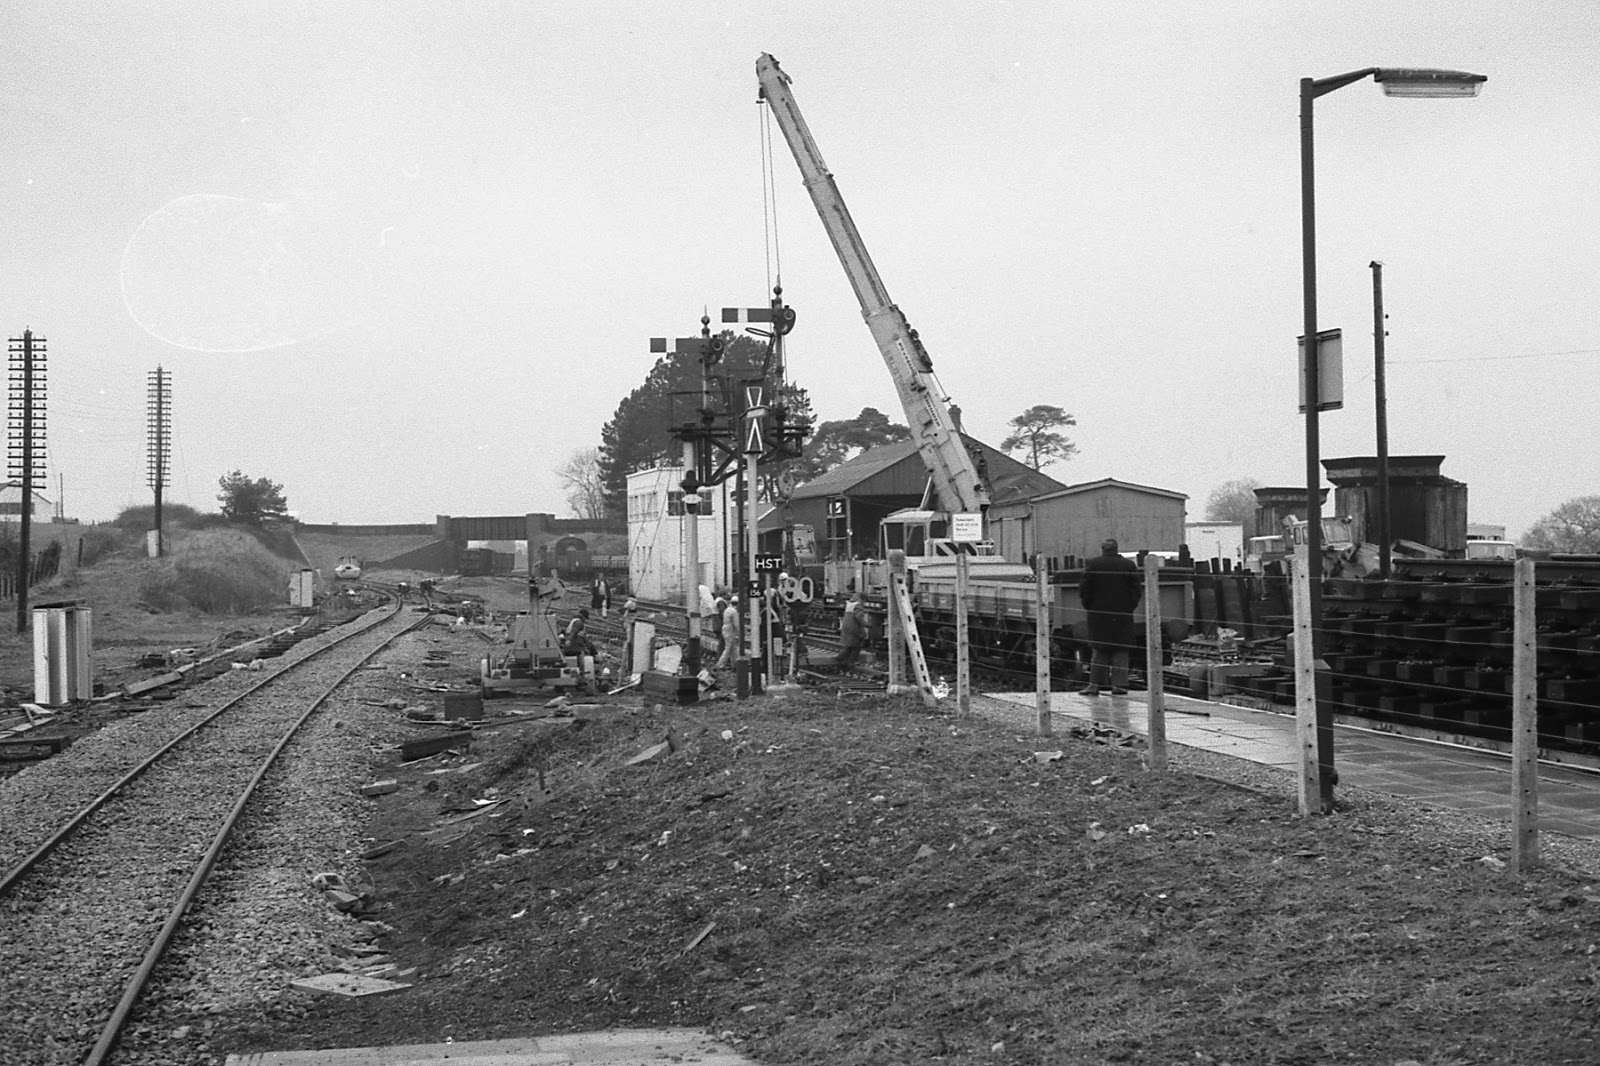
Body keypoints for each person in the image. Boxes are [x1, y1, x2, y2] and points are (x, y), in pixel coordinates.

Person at [1078, 538, 1142, 696]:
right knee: (1121, 650)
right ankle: (1119, 685)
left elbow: (1084, 589)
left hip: (1098, 614)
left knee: (1099, 650)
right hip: (1122, 614)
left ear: (1102, 549)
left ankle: (1094, 685)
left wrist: (1090, 606)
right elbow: (1136, 590)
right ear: (1116, 549)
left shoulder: (1093, 564)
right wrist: (1129, 607)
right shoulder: (1128, 565)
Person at [836, 592, 867, 667]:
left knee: (850, 644)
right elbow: (859, 618)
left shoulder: (850, 603)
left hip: (847, 626)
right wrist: (867, 624)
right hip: (854, 627)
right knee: (858, 644)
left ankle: (841, 658)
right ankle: (851, 662)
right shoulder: (858, 605)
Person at [715, 595, 741, 670]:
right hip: (730, 630)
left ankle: (735, 664)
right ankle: (719, 664)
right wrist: (740, 633)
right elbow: (736, 624)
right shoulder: (734, 611)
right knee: (728, 648)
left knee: (733, 648)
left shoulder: (727, 610)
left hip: (725, 629)